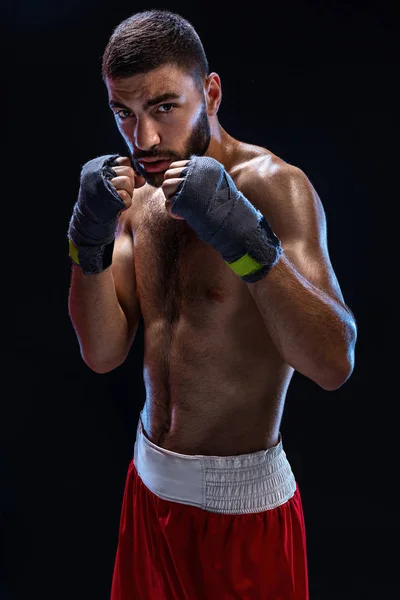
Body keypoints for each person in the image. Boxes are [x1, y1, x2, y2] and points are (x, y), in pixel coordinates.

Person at [67, 9, 357, 600]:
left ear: (211, 92)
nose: (142, 138)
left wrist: (245, 240)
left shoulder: (272, 186)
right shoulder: (133, 196)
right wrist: (86, 239)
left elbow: (334, 361)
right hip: (147, 493)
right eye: (124, 113)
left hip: (243, 519)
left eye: (164, 107)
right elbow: (101, 352)